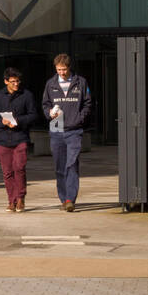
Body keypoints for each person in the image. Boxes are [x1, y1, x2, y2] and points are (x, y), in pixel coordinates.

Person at [42, 53, 91, 211]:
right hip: (56, 128)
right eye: (58, 70)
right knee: (60, 166)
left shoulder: (80, 82)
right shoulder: (50, 84)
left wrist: (80, 118)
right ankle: (63, 199)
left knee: (72, 164)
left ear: (69, 67)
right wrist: (49, 113)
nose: (61, 73)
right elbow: (45, 104)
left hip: (74, 130)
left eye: (63, 69)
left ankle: (70, 199)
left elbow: (88, 103)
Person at [0, 68, 37, 212]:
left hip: (20, 137)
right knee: (7, 172)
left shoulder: (27, 95)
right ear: (6, 82)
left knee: (19, 168)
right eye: (13, 81)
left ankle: (20, 198)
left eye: (18, 81)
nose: (16, 84)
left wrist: (18, 120)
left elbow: (33, 115)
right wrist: (1, 121)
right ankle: (12, 200)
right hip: (4, 139)